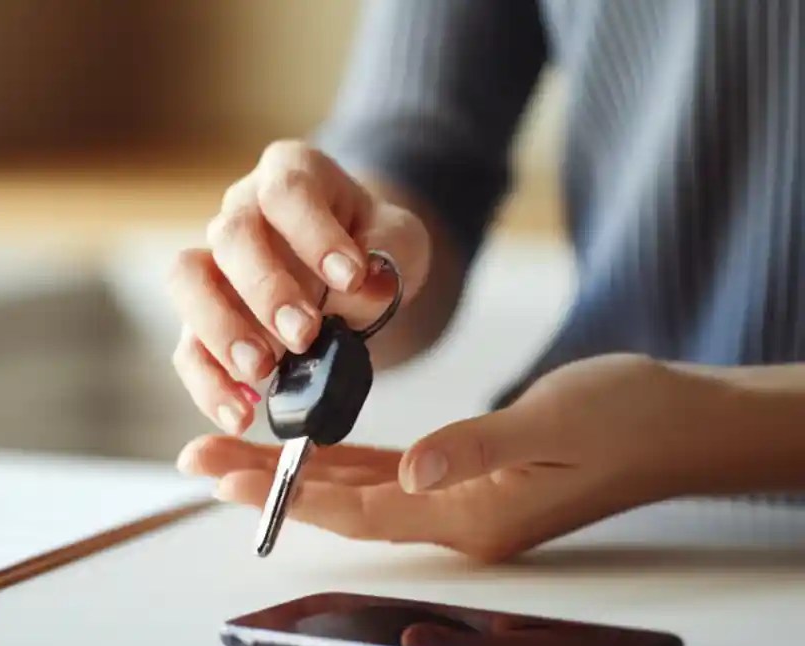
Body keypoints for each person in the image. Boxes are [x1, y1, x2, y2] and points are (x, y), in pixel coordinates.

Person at [168, 0, 805, 562]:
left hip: (621, 520)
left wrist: (717, 430)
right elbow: (419, 153)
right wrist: (330, 255)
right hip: (591, 543)